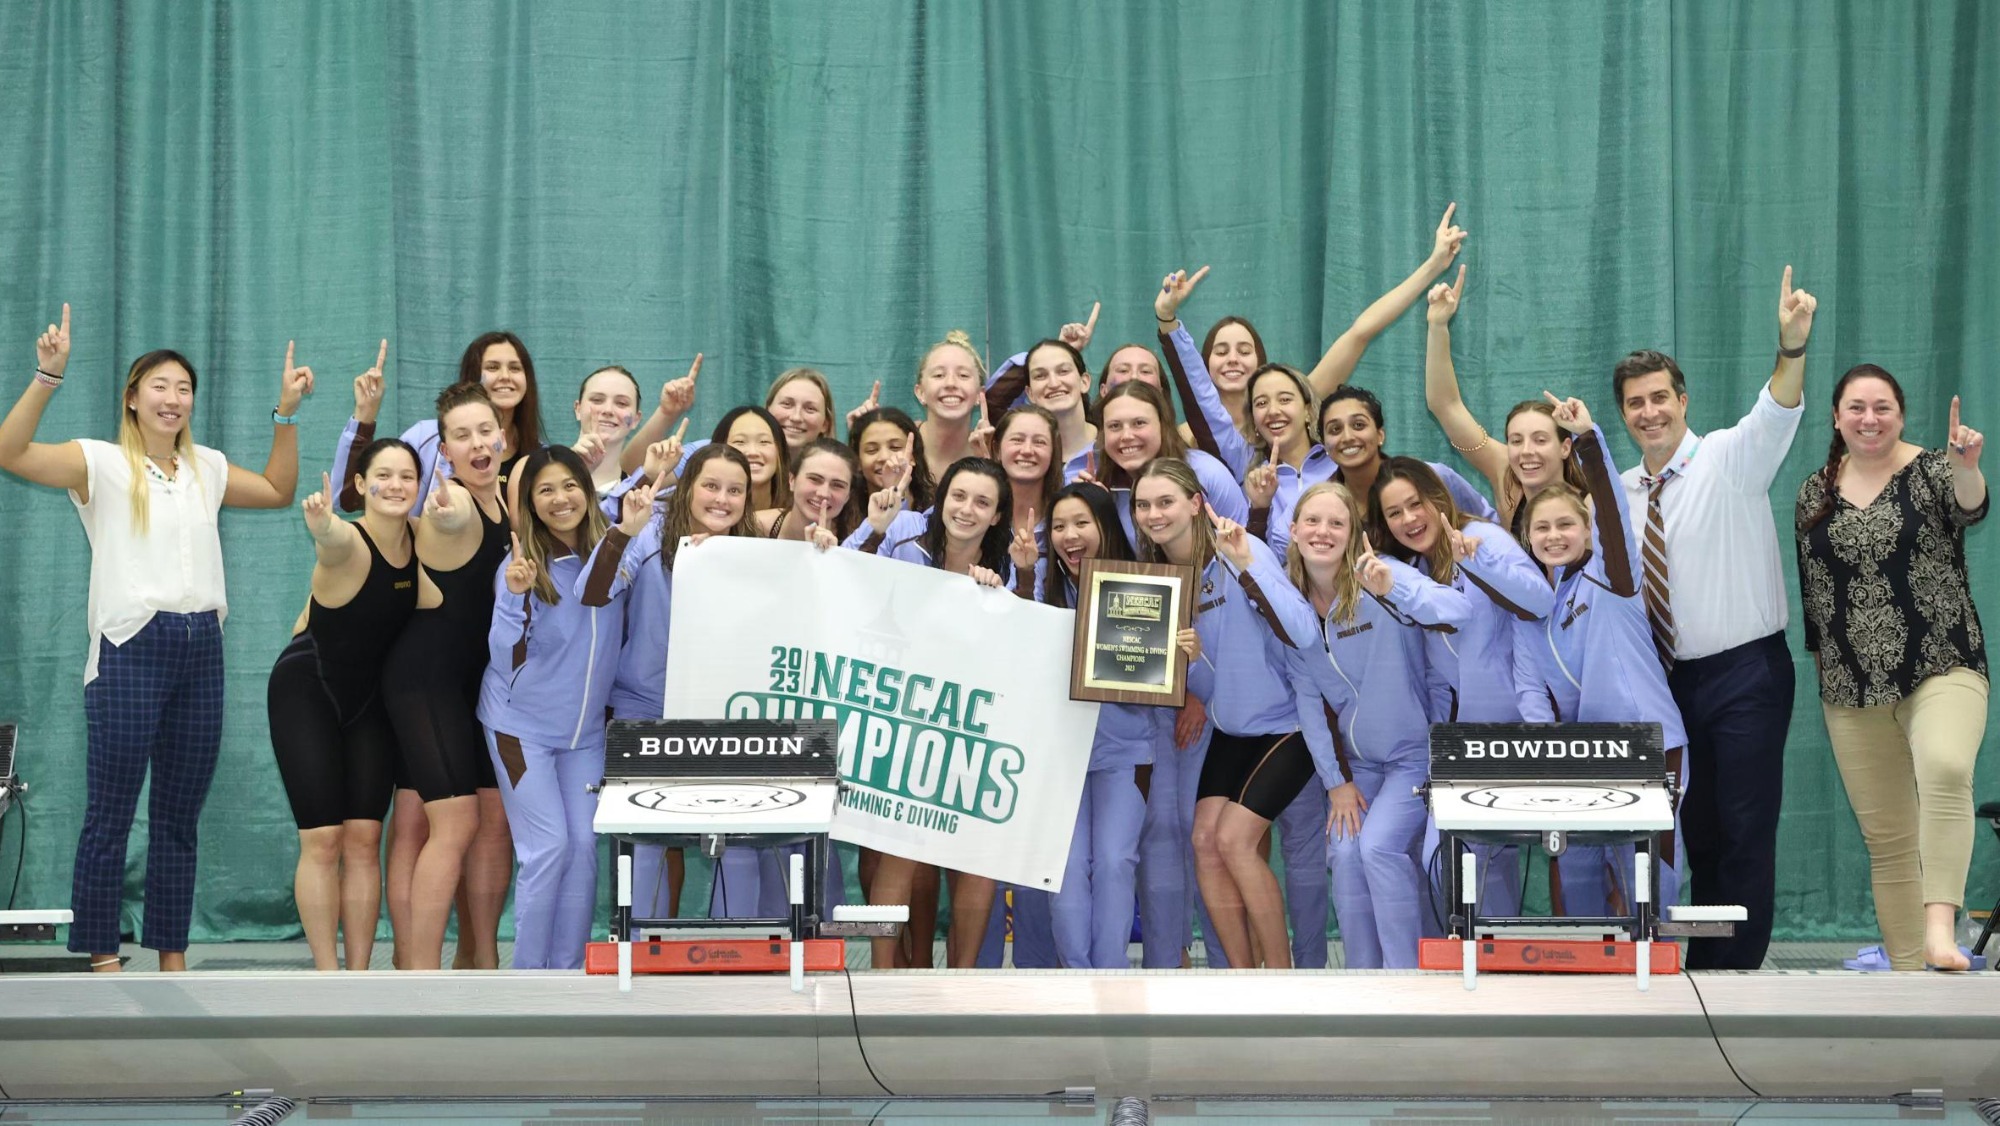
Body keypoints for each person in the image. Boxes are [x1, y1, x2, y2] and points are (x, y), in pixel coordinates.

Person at [0, 306, 311, 971]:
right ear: (133, 399)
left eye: (183, 388)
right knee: (110, 814)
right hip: (129, 648)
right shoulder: (99, 463)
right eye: (160, 387)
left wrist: (284, 415)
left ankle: (172, 954)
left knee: (178, 815)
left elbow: (281, 489)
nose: (173, 399)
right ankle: (103, 954)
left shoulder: (208, 469)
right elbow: (11, 452)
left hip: (201, 649)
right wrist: (46, 377)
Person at [1615, 265, 1817, 970]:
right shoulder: (1620, 495)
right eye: (1636, 404)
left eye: (1660, 398)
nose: (1650, 412)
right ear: (1625, 415)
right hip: (1670, 685)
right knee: (1693, 831)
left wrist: (1790, 347)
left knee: (1743, 828)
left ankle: (1739, 977)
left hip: (1746, 675)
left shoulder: (1733, 456)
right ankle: (1705, 964)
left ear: (1682, 400)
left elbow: (1779, 406)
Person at [1795, 367, 1988, 971]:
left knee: (1947, 766)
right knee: (1890, 841)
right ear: (1835, 417)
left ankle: (1940, 932)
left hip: (1942, 662)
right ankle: (1911, 975)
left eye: (1882, 407)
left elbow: (1970, 506)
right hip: (1850, 688)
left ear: (1901, 415)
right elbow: (1815, 595)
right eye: (1856, 408)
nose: (1869, 419)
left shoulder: (1934, 469)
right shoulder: (1813, 491)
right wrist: (1831, 676)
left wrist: (1967, 465)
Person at [1131, 458, 1319, 968]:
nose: (1154, 514)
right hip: (1232, 731)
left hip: (1288, 725)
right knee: (1203, 841)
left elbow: (1303, 630)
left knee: (1234, 842)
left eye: (1166, 501)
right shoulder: (1162, 583)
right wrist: (1189, 675)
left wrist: (1248, 565)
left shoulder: (1237, 548)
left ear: (1196, 504)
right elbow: (1206, 672)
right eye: (1143, 505)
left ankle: (1280, 980)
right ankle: (1241, 976)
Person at [1514, 397, 1689, 917]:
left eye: (1565, 525)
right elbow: (1533, 693)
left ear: (1587, 529)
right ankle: (1581, 995)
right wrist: (1546, 759)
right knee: (1580, 881)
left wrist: (1588, 440)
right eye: (1541, 528)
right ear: (1527, 537)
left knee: (1648, 888)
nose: (1554, 536)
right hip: (1584, 755)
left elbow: (1612, 507)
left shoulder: (1614, 579)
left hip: (1652, 745)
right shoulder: (1539, 608)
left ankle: (1659, 992)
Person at [1283, 482, 1471, 967]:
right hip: (1360, 768)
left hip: (1414, 757)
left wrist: (1396, 587)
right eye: (1312, 521)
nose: (1322, 532)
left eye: (1336, 523)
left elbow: (1457, 609)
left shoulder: (1383, 583)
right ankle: (1363, 982)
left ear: (1354, 534)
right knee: (1344, 854)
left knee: (1379, 848)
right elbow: (1309, 705)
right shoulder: (1294, 611)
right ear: (1293, 529)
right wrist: (1335, 784)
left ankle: (1406, 977)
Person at [855, 456, 1033, 967]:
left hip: (976, 729)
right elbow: (846, 579)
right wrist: (871, 530)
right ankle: (883, 972)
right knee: (897, 851)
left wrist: (1012, 587)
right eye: (958, 496)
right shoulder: (903, 550)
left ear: (998, 515)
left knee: (976, 857)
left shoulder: (1003, 569)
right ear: (940, 501)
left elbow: (1030, 637)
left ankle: (962, 976)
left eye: (982, 502)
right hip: (902, 722)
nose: (967, 509)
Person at [478, 446, 646, 970]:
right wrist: (512, 596)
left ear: (588, 489)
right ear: (529, 501)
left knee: (581, 850)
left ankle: (569, 973)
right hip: (519, 729)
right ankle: (528, 982)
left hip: (586, 738)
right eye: (545, 490)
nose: (559, 498)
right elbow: (504, 657)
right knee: (547, 847)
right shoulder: (523, 565)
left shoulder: (615, 550)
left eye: (569, 485)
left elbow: (602, 585)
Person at [1367, 456, 1555, 916]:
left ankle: (1500, 969)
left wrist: (1480, 563)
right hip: (1463, 741)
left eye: (1416, 504)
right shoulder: (1416, 565)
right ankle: (1486, 970)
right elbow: (1438, 670)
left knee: (1468, 860)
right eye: (1395, 513)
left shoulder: (1484, 538)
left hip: (1517, 730)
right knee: (1455, 864)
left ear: (1438, 498)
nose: (1409, 519)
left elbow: (1538, 601)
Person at [268, 443, 423, 971]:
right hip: (306, 689)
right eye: (384, 475)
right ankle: (327, 976)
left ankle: (358, 975)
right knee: (324, 839)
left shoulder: (424, 540)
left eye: (407, 475)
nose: (397, 485)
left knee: (363, 839)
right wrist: (321, 526)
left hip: (370, 703)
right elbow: (334, 546)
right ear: (362, 484)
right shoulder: (350, 538)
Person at [377, 384, 515, 970]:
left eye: (485, 431)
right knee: (454, 823)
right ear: (446, 453)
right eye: (461, 436)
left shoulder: (509, 504)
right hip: (425, 683)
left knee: (493, 820)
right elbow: (446, 520)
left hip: (475, 688)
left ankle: (479, 959)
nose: (477, 443)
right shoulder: (453, 503)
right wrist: (442, 508)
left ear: (503, 437)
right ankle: (419, 977)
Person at [593, 442, 759, 925]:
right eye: (711, 486)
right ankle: (637, 956)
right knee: (644, 842)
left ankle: (737, 956)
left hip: (726, 717)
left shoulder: (755, 552)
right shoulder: (650, 535)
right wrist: (629, 527)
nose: (722, 500)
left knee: (740, 844)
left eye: (735, 490)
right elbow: (600, 589)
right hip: (644, 710)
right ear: (687, 488)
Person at [1153, 204, 1466, 449]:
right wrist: (1166, 316)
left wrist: (1433, 266)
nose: (1233, 358)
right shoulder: (1184, 437)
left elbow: (1360, 332)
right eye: (1221, 351)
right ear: (1203, 366)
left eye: (1244, 350)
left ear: (1262, 365)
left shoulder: (1296, 406)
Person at [1037, 481, 1172, 967]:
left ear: (1105, 528)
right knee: (1067, 869)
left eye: (1081, 523)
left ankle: (1109, 979)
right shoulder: (1038, 586)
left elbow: (1170, 677)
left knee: (1116, 862)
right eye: (1058, 526)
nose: (1069, 535)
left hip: (1126, 751)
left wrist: (1185, 659)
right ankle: (1077, 978)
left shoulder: (1143, 588)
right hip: (1059, 758)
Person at [1419, 267, 1589, 541]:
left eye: (1541, 440)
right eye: (1516, 440)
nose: (1526, 452)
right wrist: (1437, 326)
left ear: (1565, 447)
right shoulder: (1506, 475)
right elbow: (1444, 404)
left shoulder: (1589, 506)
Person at [331, 331, 544, 511]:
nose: (505, 376)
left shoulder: (540, 456)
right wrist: (365, 415)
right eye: (493, 367)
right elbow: (348, 499)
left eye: (515, 368)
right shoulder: (425, 439)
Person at [914, 331, 995, 485]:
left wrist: (990, 465)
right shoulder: (897, 443)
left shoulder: (995, 452)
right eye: (938, 375)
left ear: (980, 394)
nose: (951, 383)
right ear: (920, 392)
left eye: (963, 375)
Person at [850, 406, 935, 517]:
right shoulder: (844, 512)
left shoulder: (934, 511)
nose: (884, 457)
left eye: (895, 447)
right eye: (872, 450)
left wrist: (898, 493)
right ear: (858, 461)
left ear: (913, 456)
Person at [570, 365, 643, 493]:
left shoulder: (639, 499)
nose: (608, 410)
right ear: (578, 409)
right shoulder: (540, 473)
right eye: (597, 400)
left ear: (636, 420)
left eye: (621, 403)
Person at [713, 405, 791, 515]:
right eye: (740, 442)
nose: (753, 452)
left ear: (780, 452)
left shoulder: (795, 516)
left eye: (764, 442)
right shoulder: (706, 513)